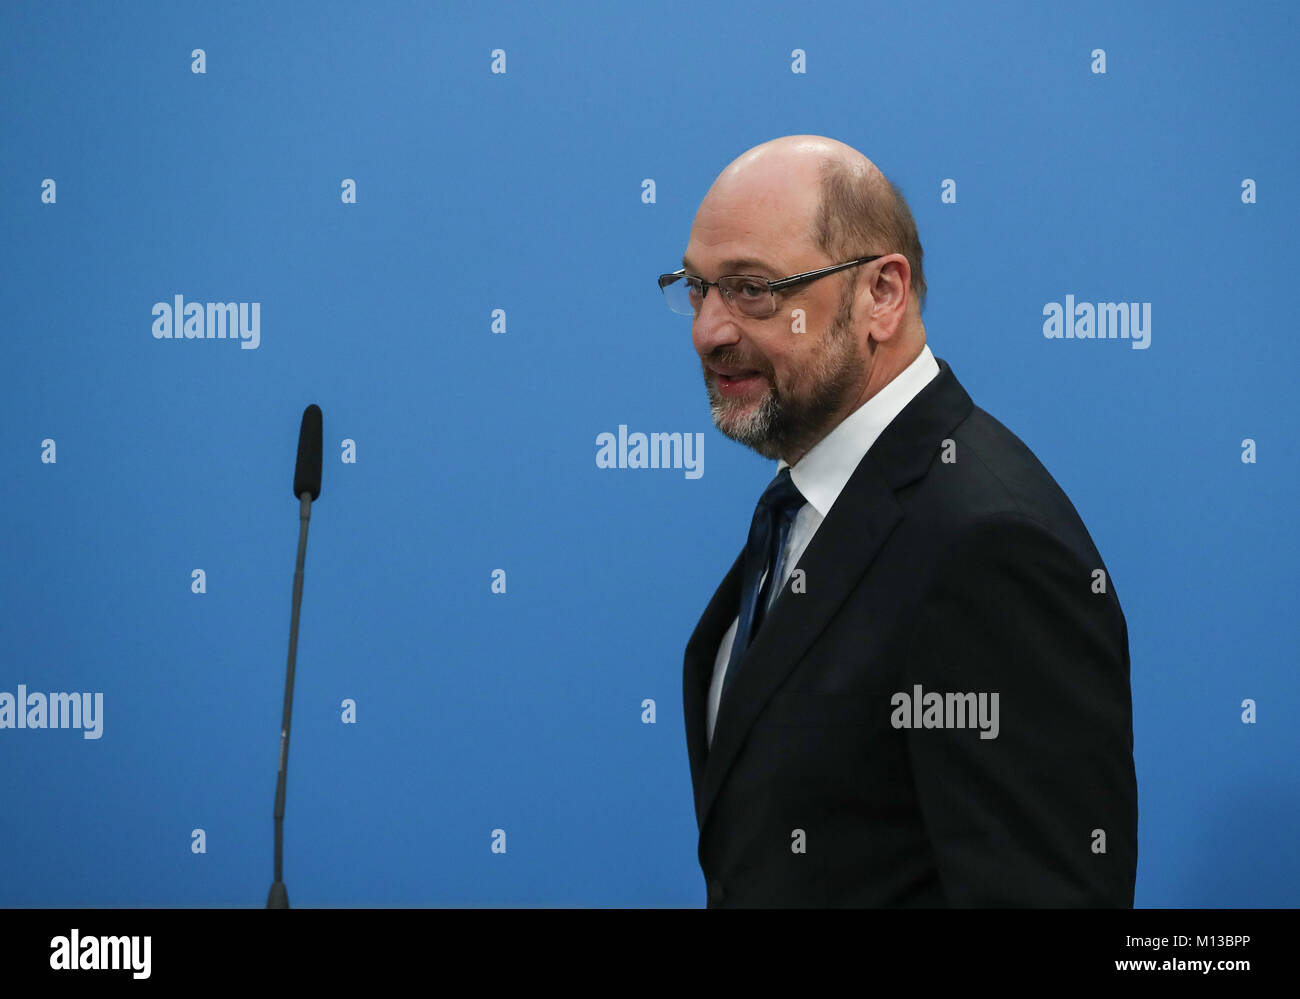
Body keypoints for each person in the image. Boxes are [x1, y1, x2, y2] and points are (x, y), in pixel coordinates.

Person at [660, 135, 1138, 907]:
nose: (708, 330)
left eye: (754, 289)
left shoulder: (992, 548)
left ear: (881, 294)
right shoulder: (804, 502)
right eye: (698, 287)